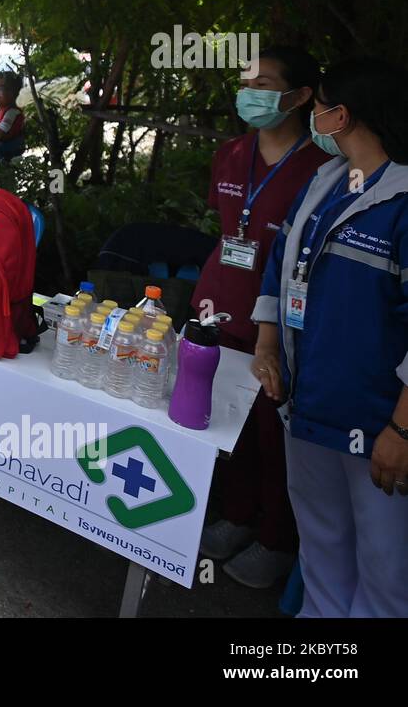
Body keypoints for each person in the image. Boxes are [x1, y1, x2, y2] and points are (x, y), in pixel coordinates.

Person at [252, 55, 408, 617]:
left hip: (378, 428)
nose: (311, 116)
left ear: (340, 116)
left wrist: (401, 429)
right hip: (307, 406)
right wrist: (268, 346)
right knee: (322, 552)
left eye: (317, 105)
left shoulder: (403, 203)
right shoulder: (324, 182)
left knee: (386, 573)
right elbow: (279, 266)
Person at [194, 46, 327, 588]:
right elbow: (225, 228)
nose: (250, 91)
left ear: (298, 97)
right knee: (234, 422)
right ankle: (236, 515)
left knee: (277, 432)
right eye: (246, 80)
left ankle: (277, 538)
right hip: (221, 301)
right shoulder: (230, 154)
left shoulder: (325, 167)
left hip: (286, 322)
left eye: (265, 82)